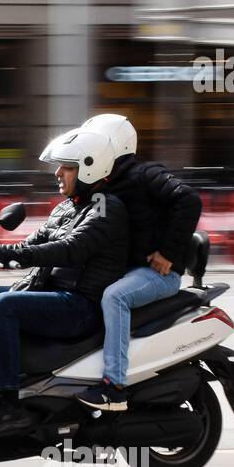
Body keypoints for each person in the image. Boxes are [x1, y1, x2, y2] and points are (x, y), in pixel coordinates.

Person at [0, 128, 128, 436]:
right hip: (50, 293)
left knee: (4, 306)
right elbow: (34, 242)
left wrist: (13, 254)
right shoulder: (66, 207)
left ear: (89, 167)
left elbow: (71, 249)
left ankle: (8, 403)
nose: (58, 173)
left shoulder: (106, 207)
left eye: (67, 167)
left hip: (79, 305)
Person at [72, 114, 203, 413]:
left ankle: (114, 388)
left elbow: (189, 200)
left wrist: (168, 253)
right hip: (130, 270)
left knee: (114, 296)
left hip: (157, 274)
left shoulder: (146, 174)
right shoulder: (105, 184)